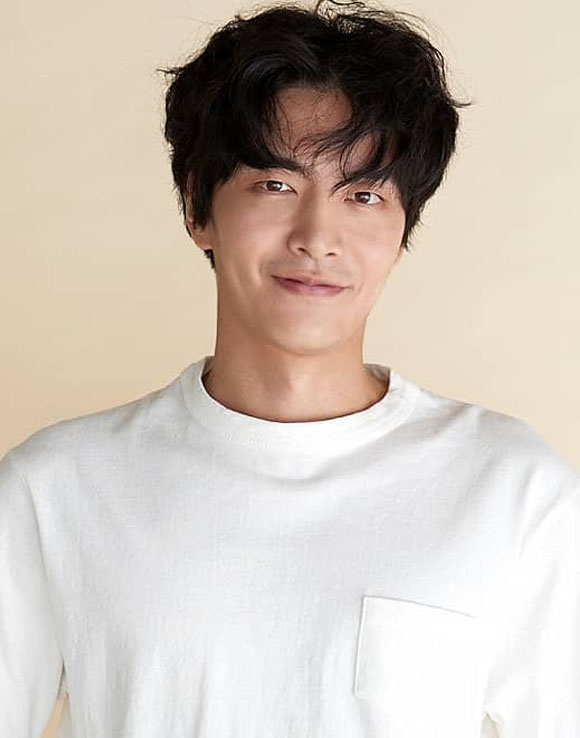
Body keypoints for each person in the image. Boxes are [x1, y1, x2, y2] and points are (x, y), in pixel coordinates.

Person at [1, 1, 578, 736]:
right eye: (276, 184)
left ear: (403, 228)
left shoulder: (513, 490)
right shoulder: (56, 489)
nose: (317, 236)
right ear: (197, 207)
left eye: (363, 195)